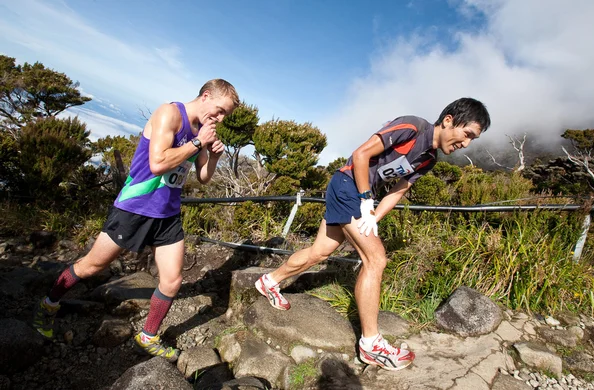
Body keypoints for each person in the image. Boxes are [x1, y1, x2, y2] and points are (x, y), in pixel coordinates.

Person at [255, 97, 490, 371]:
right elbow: (361, 154)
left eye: (473, 139)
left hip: (356, 193)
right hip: (347, 185)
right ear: (449, 120)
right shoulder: (412, 128)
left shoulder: (428, 159)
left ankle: (269, 281)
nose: (466, 144)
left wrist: (374, 216)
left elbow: (399, 190)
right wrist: (366, 199)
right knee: (376, 259)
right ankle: (371, 345)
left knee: (321, 251)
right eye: (467, 134)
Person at [33, 79, 240, 362]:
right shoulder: (170, 113)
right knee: (91, 266)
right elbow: (158, 164)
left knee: (172, 280)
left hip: (167, 215)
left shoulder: (201, 130)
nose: (220, 118)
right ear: (205, 96)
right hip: (134, 208)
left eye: (225, 114)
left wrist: (213, 157)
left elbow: (203, 179)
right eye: (219, 110)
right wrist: (197, 142)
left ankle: (148, 336)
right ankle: (49, 304)